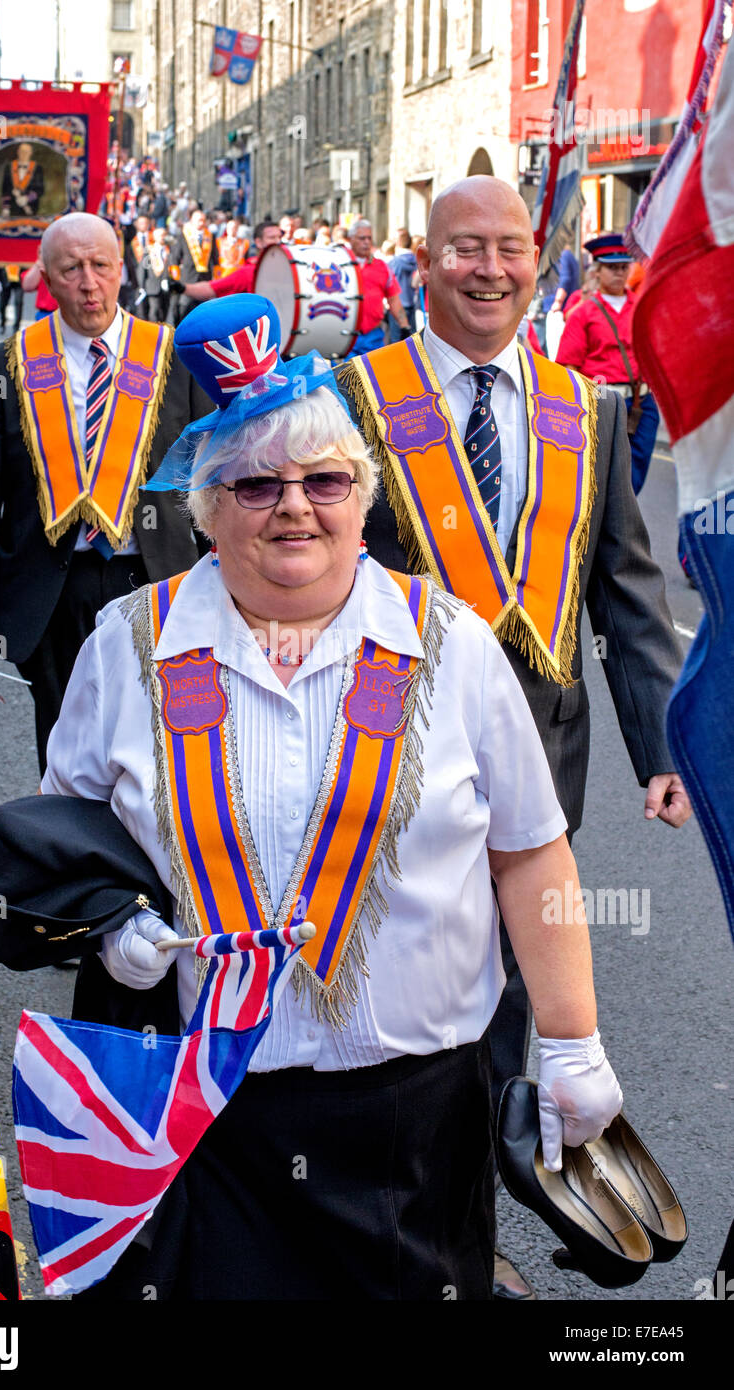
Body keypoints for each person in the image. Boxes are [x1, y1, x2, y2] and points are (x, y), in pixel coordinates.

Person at [38, 294, 624, 1300]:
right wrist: (109, 923)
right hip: (203, 1114)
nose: (295, 506)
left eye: (325, 480)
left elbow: (532, 853)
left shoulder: (456, 644)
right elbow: (60, 846)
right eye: (257, 485)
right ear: (208, 509)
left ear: (367, 498)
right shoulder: (127, 645)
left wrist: (572, 1040)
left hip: (417, 1115)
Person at [338, 178, 691, 1299]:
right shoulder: (353, 398)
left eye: (509, 250)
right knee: (396, 1008)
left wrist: (667, 746)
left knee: (500, 1012)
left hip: (539, 772)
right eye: (463, 250)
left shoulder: (589, 413)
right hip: (382, 765)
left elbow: (626, 600)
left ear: (537, 263)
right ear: (423, 261)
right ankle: (402, 1221)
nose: (488, 270)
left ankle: (463, 1236)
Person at [0, 211, 210, 772]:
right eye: (71, 269)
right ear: (44, 276)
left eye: (100, 266)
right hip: (53, 592)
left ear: (122, 270)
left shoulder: (173, 358)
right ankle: (69, 858)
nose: (88, 283)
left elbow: (213, 481)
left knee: (160, 753)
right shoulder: (5, 364)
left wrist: (238, 588)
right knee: (66, 756)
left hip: (157, 582)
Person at [556, 233, 659, 496]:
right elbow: (568, 368)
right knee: (601, 477)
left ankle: (622, 522)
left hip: (641, 403)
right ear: (598, 271)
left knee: (635, 475)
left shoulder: (644, 306)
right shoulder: (582, 313)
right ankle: (604, 526)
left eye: (624, 267)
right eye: (612, 268)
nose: (619, 274)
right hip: (600, 400)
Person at [343, 218, 411, 357]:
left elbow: (393, 300)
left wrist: (405, 326)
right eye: (362, 238)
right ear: (351, 240)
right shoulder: (341, 265)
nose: (367, 242)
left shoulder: (382, 267)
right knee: (344, 377)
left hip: (373, 337)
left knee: (372, 377)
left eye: (369, 238)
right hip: (345, 336)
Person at [178, 219, 283, 303]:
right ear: (258, 242)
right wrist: (183, 288)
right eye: (272, 238)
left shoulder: (291, 265)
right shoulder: (250, 272)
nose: (278, 241)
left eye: (279, 237)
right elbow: (211, 288)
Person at [170, 208, 219, 322]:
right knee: (184, 309)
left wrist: (216, 277)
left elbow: (215, 258)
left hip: (204, 279)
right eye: (198, 220)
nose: (201, 223)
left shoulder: (210, 236)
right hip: (188, 278)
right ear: (191, 221)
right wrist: (176, 278)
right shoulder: (184, 235)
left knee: (203, 310)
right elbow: (175, 257)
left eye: (203, 220)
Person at [1, 142, 45, 219]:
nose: (24, 154)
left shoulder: (37, 168)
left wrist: (27, 198)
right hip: (12, 208)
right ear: (18, 152)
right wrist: (5, 207)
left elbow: (40, 190)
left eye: (26, 152)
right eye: (22, 151)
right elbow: (5, 189)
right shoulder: (9, 167)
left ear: (31, 153)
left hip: (31, 208)